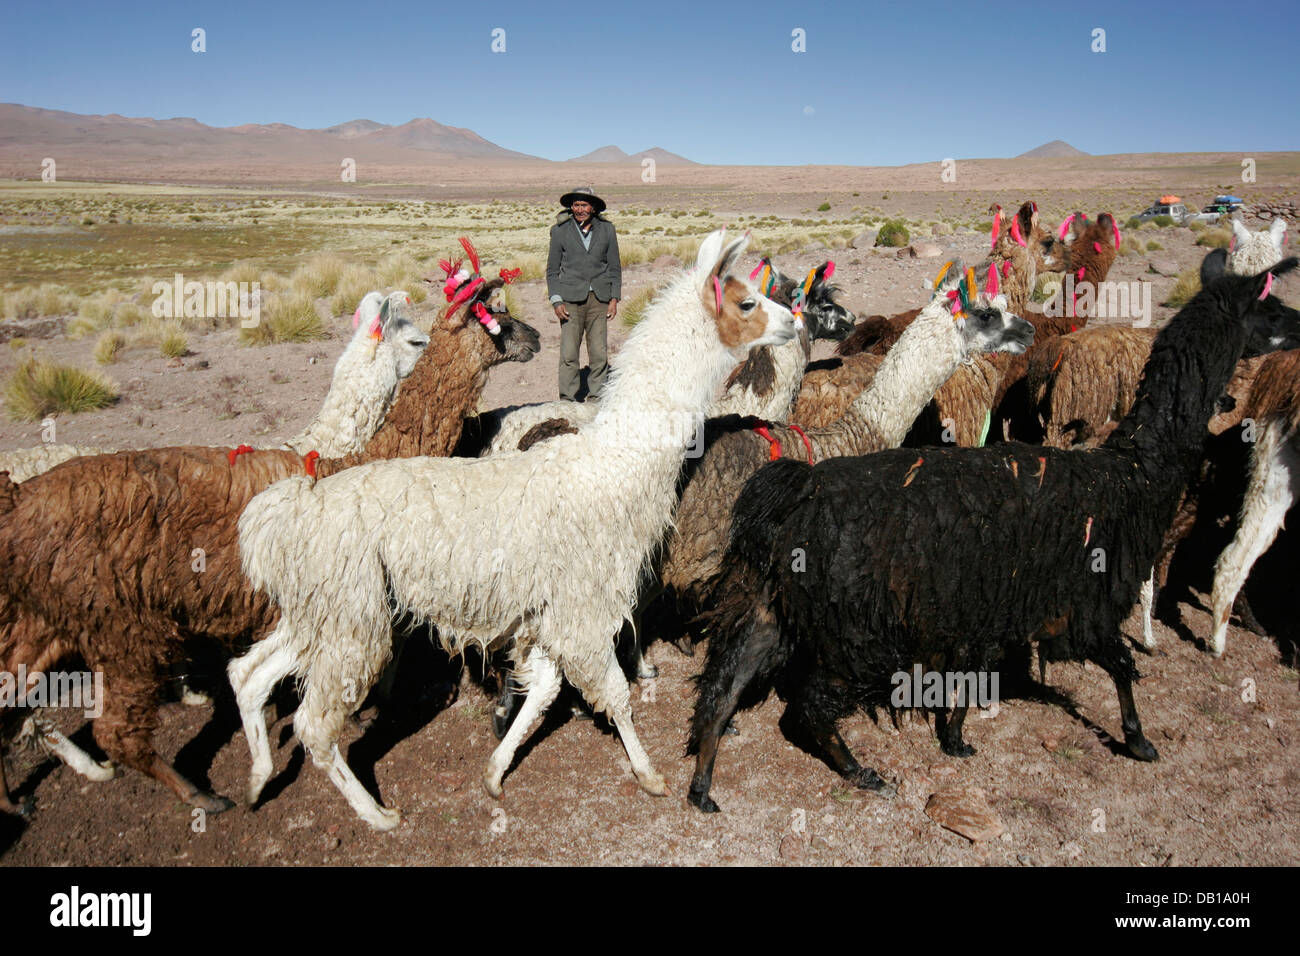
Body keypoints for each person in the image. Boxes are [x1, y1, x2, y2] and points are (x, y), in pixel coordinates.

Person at [546, 187, 621, 402]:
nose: (580, 210)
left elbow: (614, 267)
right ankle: (567, 399)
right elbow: (552, 270)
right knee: (569, 354)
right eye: (576, 205)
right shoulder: (560, 231)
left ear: (593, 208)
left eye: (584, 205)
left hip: (599, 299)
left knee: (599, 353)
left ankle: (596, 397)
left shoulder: (607, 230)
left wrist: (614, 298)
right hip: (569, 300)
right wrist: (556, 300)